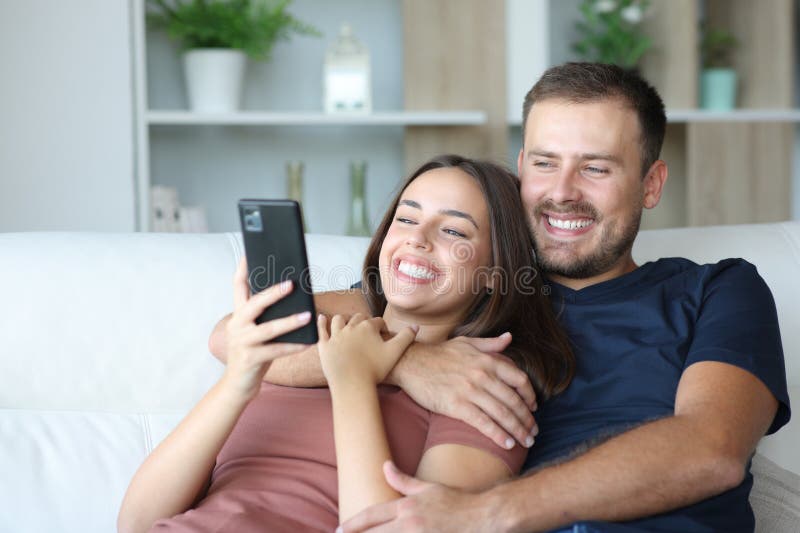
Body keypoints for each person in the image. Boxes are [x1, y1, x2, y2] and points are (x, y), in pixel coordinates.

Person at [210, 62, 791, 532]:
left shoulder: (716, 289)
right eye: (544, 163)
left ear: (651, 183)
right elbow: (241, 338)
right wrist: (411, 360)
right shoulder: (463, 284)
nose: (562, 193)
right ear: (521, 171)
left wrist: (491, 513)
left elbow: (712, 448)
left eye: (595, 168)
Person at [117, 155, 576, 533]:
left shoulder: (483, 387)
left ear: (497, 271)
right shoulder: (317, 336)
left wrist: (355, 378)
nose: (417, 240)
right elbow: (136, 522)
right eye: (407, 218)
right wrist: (242, 378)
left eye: (453, 231)